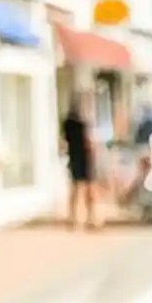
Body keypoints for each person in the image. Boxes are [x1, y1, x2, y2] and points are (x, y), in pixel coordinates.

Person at [61, 97, 98, 230]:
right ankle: (91, 218)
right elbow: (89, 142)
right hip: (85, 158)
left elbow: (64, 141)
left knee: (74, 188)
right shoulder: (83, 124)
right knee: (89, 189)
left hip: (73, 157)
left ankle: (72, 218)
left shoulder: (67, 124)